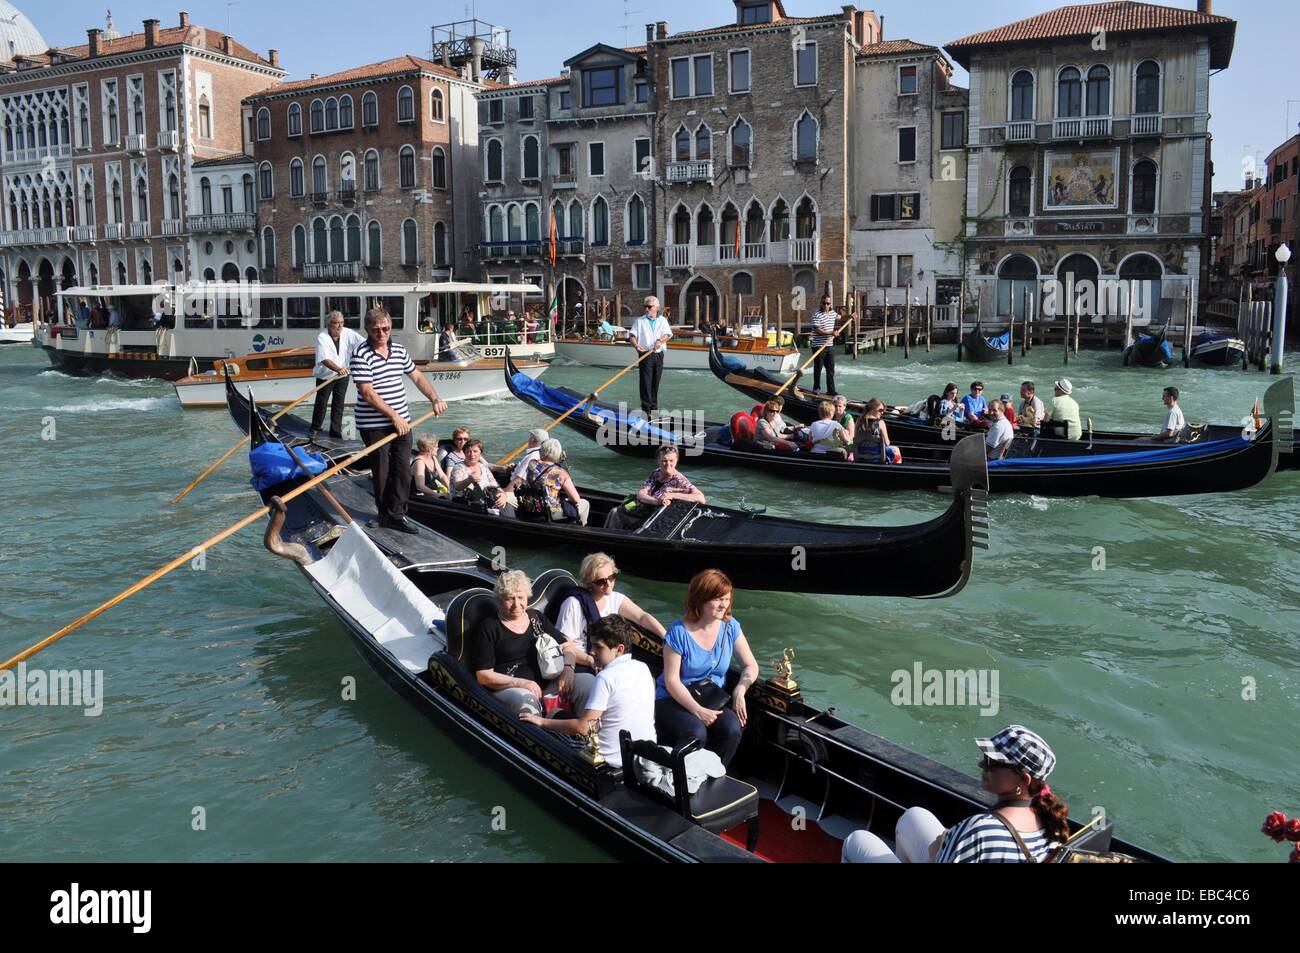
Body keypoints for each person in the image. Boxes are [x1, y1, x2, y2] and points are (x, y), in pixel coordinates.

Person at [841, 725, 1068, 863]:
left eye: (992, 762)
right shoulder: (1053, 823)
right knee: (914, 816)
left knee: (857, 841)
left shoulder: (980, 830)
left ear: (1023, 780)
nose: (982, 764)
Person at [351, 307, 448, 534]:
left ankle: (397, 515)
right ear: (367, 330)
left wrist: (434, 398)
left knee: (403, 469)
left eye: (385, 328)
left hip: (402, 421)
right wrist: (394, 416)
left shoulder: (399, 351)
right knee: (382, 469)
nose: (381, 333)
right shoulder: (360, 355)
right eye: (376, 330)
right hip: (373, 423)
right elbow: (367, 393)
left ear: (390, 326)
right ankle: (384, 514)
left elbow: (416, 376)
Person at [520, 615, 656, 769]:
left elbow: (583, 729)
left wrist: (542, 722)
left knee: (553, 714)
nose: (592, 652)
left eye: (598, 647)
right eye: (591, 646)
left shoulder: (605, 678)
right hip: (641, 756)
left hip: (609, 760)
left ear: (619, 649)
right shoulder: (643, 668)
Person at [655, 569, 759, 768]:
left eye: (727, 599)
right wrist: (697, 711)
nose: (724, 605)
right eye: (718, 599)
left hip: (710, 697)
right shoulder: (678, 632)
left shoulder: (730, 627)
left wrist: (740, 690)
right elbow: (672, 680)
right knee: (696, 733)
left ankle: (712, 775)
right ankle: (680, 782)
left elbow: (750, 665)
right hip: (673, 699)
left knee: (732, 728)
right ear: (701, 599)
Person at [469, 570, 594, 717]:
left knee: (589, 683)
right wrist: (521, 683)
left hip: (547, 683)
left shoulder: (537, 619)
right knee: (526, 700)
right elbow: (483, 675)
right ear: (500, 600)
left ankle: (585, 732)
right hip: (510, 689)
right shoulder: (490, 627)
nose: (517, 604)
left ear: (527, 596)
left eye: (520, 597)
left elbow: (567, 646)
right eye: (510, 598)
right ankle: (541, 736)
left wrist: (568, 669)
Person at [554, 553, 667, 654]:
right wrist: (589, 661)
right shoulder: (573, 604)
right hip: (581, 660)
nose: (608, 584)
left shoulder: (615, 598)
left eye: (611, 577)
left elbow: (642, 617)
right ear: (589, 583)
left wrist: (667, 638)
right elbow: (565, 645)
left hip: (608, 658)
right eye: (601, 581)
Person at [604, 444, 706, 529]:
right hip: (642, 511)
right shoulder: (655, 473)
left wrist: (673, 495)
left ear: (676, 461)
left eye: (671, 461)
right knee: (615, 512)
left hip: (654, 520)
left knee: (614, 513)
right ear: (658, 461)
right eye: (664, 461)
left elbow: (700, 498)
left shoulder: (679, 480)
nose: (668, 464)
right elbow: (641, 494)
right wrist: (657, 501)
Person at [311, 310, 366, 439]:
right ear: (330, 324)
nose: (340, 326)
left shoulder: (347, 333)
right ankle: (315, 428)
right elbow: (324, 359)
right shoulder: (322, 337)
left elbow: (363, 342)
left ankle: (335, 431)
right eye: (336, 323)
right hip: (325, 375)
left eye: (342, 323)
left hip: (342, 375)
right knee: (322, 403)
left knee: (339, 403)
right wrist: (337, 369)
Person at [514, 438, 589, 525]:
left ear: (542, 451)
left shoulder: (532, 464)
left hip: (529, 507)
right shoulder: (561, 472)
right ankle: (579, 530)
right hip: (549, 513)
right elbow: (575, 499)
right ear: (559, 454)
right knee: (584, 503)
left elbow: (543, 472)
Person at [450, 437, 515, 516]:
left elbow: (495, 485)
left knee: (506, 506)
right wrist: (468, 480)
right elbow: (458, 486)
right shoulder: (459, 467)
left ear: (480, 453)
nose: (472, 454)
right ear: (465, 453)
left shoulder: (483, 467)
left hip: (483, 502)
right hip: (464, 504)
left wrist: (503, 495)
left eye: (475, 451)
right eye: (468, 452)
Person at [630, 295, 672, 417]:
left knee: (655, 382)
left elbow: (668, 334)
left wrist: (660, 341)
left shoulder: (663, 320)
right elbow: (632, 336)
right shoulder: (640, 321)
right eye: (645, 307)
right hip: (645, 354)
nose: (647, 309)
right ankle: (646, 409)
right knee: (645, 382)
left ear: (657, 308)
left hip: (658, 355)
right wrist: (636, 346)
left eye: (649, 306)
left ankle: (654, 408)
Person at [809, 293, 841, 394]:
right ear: (821, 303)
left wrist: (850, 316)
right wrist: (831, 332)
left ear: (830, 304)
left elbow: (840, 317)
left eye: (828, 303)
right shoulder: (816, 314)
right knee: (818, 368)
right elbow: (818, 330)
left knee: (831, 370)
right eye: (824, 303)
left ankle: (831, 391)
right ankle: (816, 388)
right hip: (818, 346)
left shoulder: (832, 313)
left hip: (829, 346)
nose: (826, 305)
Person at [857, 398, 902, 463]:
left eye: (883, 411)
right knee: (896, 450)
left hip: (861, 455)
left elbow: (855, 438)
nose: (882, 413)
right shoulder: (879, 423)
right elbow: (887, 443)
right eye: (880, 410)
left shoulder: (859, 421)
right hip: (876, 457)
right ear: (873, 409)